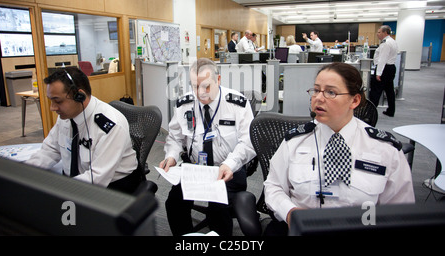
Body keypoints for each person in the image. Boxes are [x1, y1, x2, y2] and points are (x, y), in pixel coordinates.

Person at [263, 62, 414, 235]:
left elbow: (401, 211)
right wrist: (290, 213)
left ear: (354, 100)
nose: (318, 98)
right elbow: (273, 186)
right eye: (316, 90)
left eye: (330, 92)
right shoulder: (296, 141)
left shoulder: (384, 149)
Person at [160, 58, 256, 236]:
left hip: (228, 170)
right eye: (195, 86)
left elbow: (249, 141)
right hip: (195, 168)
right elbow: (175, 137)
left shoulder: (236, 104)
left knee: (218, 210)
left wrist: (231, 163)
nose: (200, 93)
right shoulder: (185, 104)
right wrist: (172, 155)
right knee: (173, 203)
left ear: (218, 80)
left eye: (206, 86)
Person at [26, 67, 141, 194]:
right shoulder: (66, 117)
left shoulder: (111, 125)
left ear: (79, 96)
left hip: (113, 188)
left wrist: (57, 190)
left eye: (57, 101)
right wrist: (24, 173)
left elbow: (97, 177)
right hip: (75, 182)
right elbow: (50, 150)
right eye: (51, 100)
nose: (52, 108)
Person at [369, 25, 399, 117]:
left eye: (379, 32)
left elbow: (382, 59)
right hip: (391, 68)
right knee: (390, 91)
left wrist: (378, 73)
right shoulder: (393, 41)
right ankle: (391, 110)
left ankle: (370, 113)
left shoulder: (385, 43)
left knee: (375, 92)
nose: (377, 34)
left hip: (384, 69)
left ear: (385, 32)